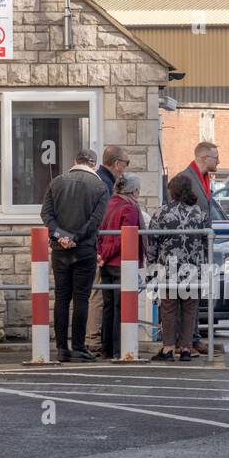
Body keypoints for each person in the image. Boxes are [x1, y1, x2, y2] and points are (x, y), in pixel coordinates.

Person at [40, 148, 109, 362]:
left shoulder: (57, 182)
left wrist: (61, 235)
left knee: (61, 298)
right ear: (94, 165)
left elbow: (46, 214)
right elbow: (95, 222)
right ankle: (79, 347)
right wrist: (76, 238)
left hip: (60, 249)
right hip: (85, 249)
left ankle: (62, 348)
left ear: (74, 161)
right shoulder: (100, 187)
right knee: (81, 299)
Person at [149, 174, 207, 362]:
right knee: (190, 309)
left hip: (169, 267)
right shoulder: (198, 212)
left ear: (172, 191)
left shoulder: (162, 213)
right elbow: (207, 241)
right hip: (193, 268)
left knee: (169, 308)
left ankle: (167, 348)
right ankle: (186, 348)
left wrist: (152, 264)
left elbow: (152, 242)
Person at [174, 142, 218, 353]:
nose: (218, 161)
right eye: (215, 158)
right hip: (187, 249)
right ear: (203, 158)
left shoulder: (205, 179)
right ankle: (186, 341)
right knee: (187, 296)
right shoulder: (186, 179)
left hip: (200, 247)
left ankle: (194, 337)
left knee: (195, 295)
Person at [97, 173, 146, 360]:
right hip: (121, 262)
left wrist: (100, 254)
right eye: (138, 190)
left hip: (106, 262)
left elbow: (101, 232)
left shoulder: (109, 203)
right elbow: (125, 238)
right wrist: (106, 253)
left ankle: (106, 349)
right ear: (134, 190)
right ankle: (120, 349)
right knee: (121, 307)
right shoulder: (130, 208)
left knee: (108, 307)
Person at [87, 145, 130, 353]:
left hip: (97, 247)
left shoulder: (99, 179)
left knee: (100, 295)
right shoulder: (105, 184)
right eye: (126, 163)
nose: (125, 169)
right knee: (100, 296)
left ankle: (96, 340)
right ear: (116, 163)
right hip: (101, 249)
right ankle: (94, 340)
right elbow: (104, 221)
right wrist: (101, 252)